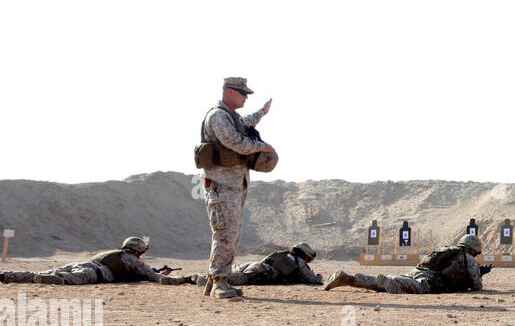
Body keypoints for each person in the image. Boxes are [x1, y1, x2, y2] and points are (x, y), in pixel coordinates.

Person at [196, 77, 275, 300]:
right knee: (225, 234)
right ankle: (220, 282)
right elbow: (234, 141)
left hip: (234, 185)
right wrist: (262, 147)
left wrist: (262, 112)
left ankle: (217, 281)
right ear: (229, 92)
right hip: (222, 185)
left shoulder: (231, 117)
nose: (246, 97)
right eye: (242, 93)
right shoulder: (218, 116)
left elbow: (246, 123)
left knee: (232, 234)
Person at [323, 234, 489, 294]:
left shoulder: (448, 249)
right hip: (430, 281)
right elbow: (476, 287)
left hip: (418, 270)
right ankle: (395, 282)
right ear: (474, 249)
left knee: (388, 281)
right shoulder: (470, 259)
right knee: (412, 287)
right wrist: (479, 274)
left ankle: (350, 279)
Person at [0, 237, 195, 285]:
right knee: (67, 279)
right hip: (95, 273)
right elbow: (153, 276)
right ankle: (56, 279)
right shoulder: (131, 259)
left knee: (40, 273)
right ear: (138, 250)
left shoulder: (113, 252)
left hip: (85, 264)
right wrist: (164, 274)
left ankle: (8, 276)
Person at [226, 243, 322, 289]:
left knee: (229, 272)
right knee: (235, 279)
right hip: (263, 270)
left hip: (257, 265)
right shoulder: (298, 261)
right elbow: (311, 279)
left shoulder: (286, 255)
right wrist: (319, 277)